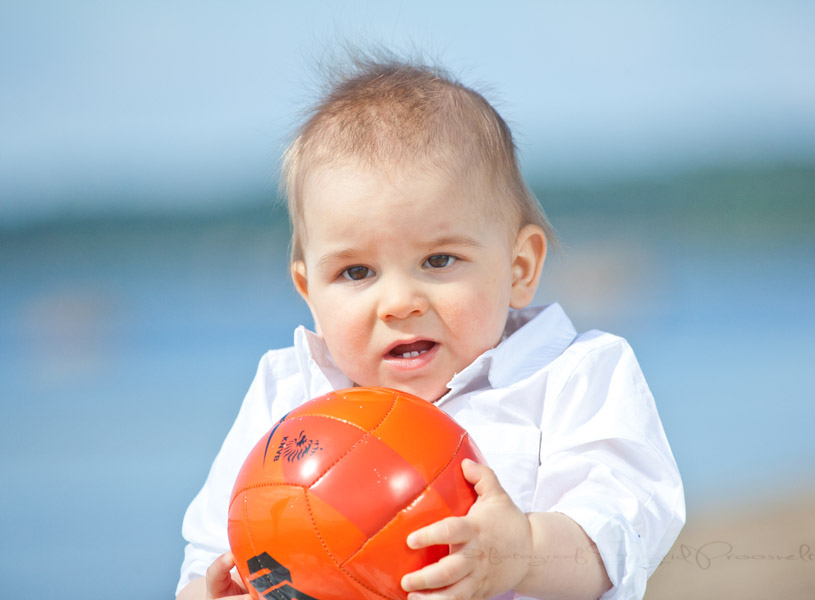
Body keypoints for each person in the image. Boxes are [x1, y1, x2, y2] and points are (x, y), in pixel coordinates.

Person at [176, 55, 684, 600]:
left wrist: (523, 553)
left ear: (519, 268)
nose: (398, 302)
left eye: (439, 261)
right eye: (356, 272)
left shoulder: (572, 378)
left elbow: (622, 530)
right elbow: (214, 545)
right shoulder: (288, 395)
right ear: (309, 293)